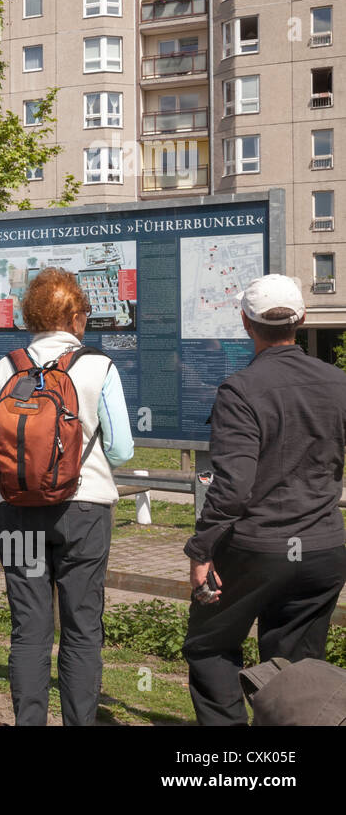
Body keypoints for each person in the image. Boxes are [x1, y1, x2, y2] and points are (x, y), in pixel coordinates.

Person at [182, 274, 346, 725]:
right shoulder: (337, 382)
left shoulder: (241, 389)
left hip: (257, 547)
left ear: (245, 323)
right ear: (303, 319)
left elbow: (233, 486)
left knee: (210, 646)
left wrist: (201, 549)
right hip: (322, 548)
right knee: (295, 671)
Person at [0, 266, 134, 726]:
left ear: (30, 316)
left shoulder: (8, 366)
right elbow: (121, 450)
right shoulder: (99, 366)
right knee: (83, 629)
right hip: (85, 508)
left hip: (20, 510)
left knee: (29, 630)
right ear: (78, 317)